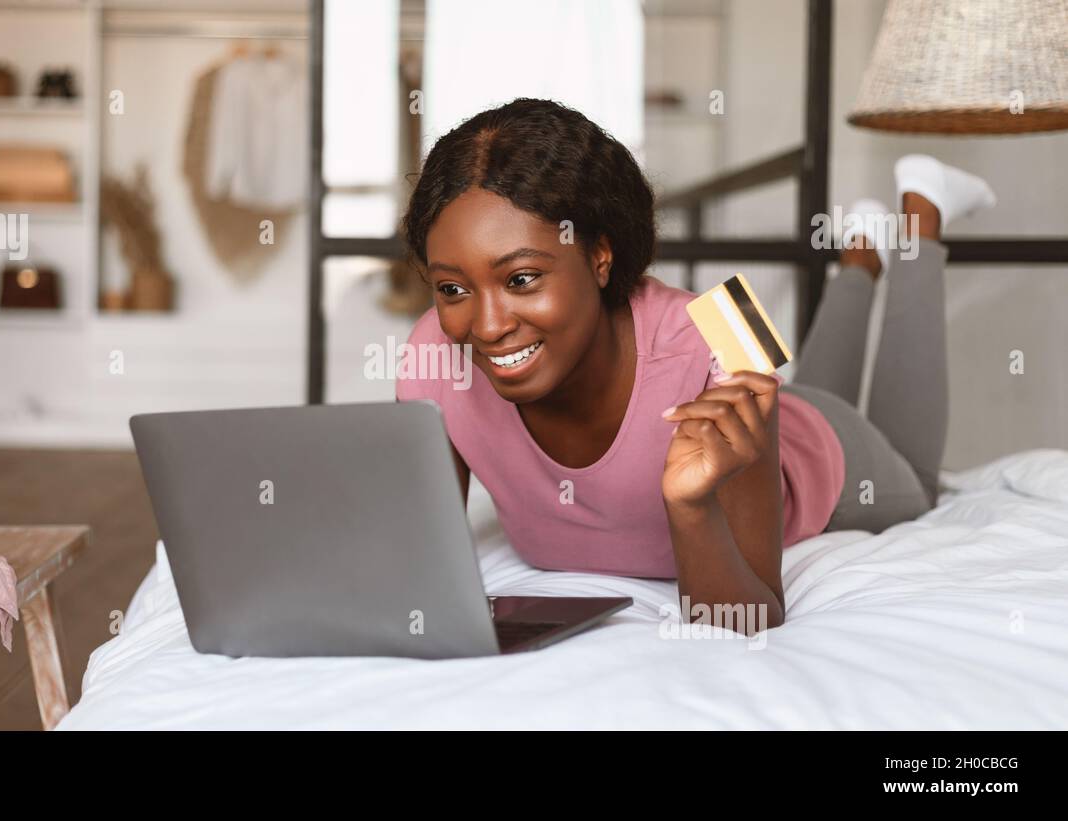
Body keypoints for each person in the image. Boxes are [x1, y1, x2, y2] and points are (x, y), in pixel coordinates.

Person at [395, 98, 995, 632]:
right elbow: (420, 563)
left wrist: (689, 505)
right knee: (791, 389)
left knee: (917, 478)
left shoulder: (722, 333)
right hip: (767, 402)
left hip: (824, 456)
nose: (489, 324)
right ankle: (861, 254)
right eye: (452, 289)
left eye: (522, 279)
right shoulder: (433, 355)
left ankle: (920, 214)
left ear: (600, 256)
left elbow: (750, 615)